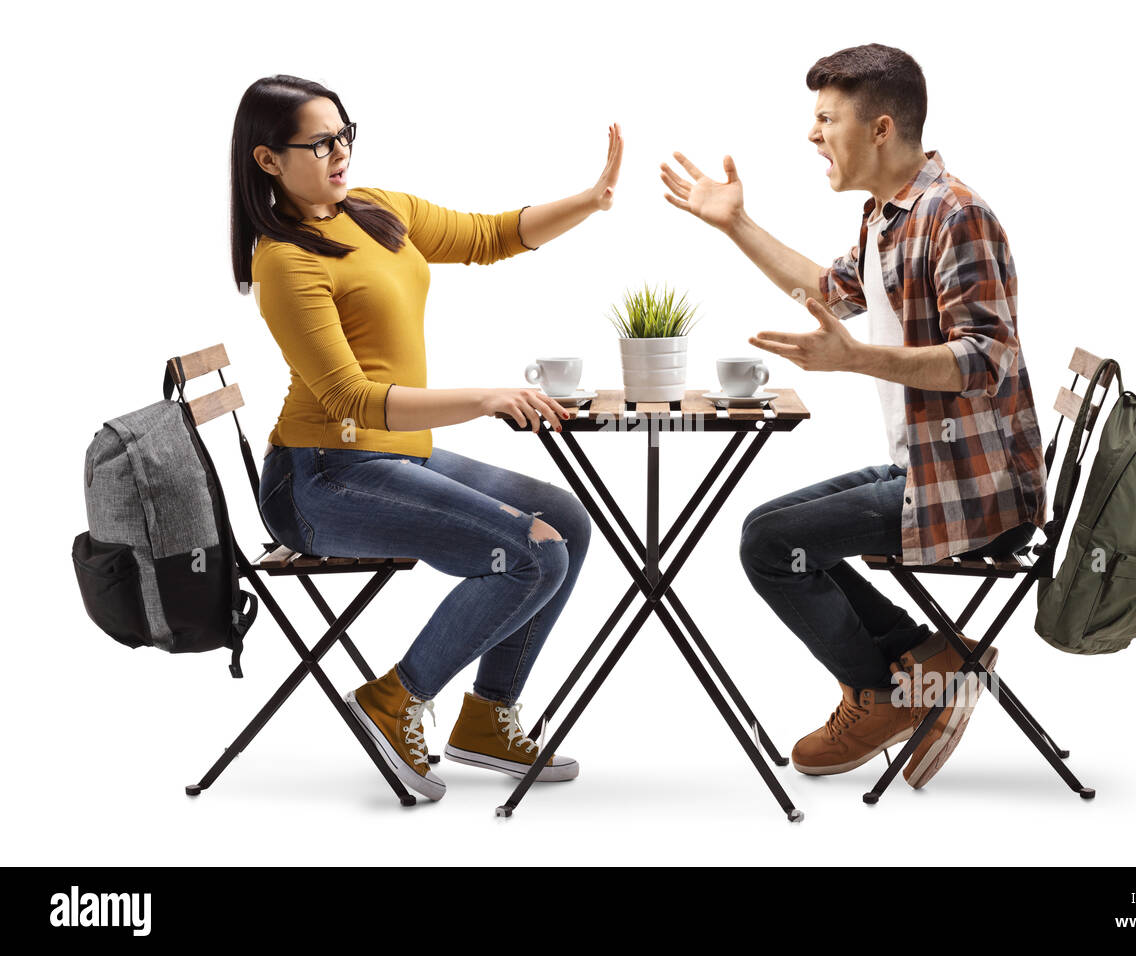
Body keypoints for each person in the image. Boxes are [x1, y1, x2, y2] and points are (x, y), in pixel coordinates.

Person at [660, 44, 1046, 788]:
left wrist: (855, 360)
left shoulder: (956, 215)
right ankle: (926, 660)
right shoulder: (889, 216)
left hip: (978, 491)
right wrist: (735, 225)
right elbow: (832, 291)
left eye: (826, 118)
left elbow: (984, 360)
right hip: (930, 471)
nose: (812, 134)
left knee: (773, 547)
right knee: (765, 532)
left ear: (880, 128)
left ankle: (881, 693)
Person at [231, 75, 622, 801]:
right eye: (319, 143)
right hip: (322, 480)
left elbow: (489, 236)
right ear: (268, 161)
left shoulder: (378, 211)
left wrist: (590, 201)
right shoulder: (284, 260)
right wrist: (482, 397)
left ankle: (486, 717)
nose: (340, 152)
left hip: (391, 456)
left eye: (345, 133)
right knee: (535, 553)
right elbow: (351, 400)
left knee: (564, 519)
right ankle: (394, 699)